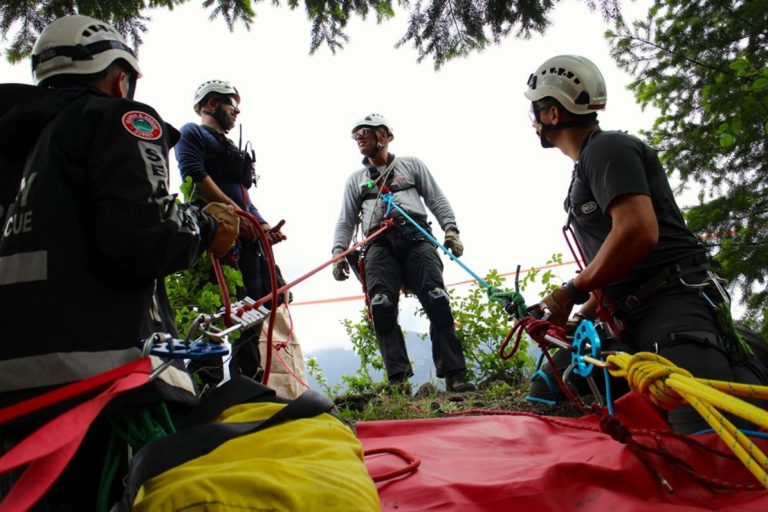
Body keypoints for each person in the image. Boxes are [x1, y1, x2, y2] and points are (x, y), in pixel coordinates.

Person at [0, 14, 239, 508]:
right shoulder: (121, 119)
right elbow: (146, 233)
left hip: (14, 396)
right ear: (118, 77)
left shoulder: (13, 147)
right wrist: (209, 226)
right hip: (106, 383)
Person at [523, 54, 768, 432]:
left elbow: (637, 231)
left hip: (672, 304)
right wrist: (581, 315)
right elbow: (619, 265)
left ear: (553, 114)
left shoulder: (607, 149)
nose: (533, 120)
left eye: (535, 110)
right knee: (547, 389)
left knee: (705, 435)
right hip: (633, 316)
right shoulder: (588, 167)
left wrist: (570, 291)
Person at [331, 113, 476, 394]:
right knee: (381, 304)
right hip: (378, 243)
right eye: (356, 134)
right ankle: (398, 380)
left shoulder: (411, 166)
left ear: (383, 136)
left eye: (365, 132)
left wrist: (451, 230)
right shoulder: (356, 180)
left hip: (416, 235)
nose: (359, 138)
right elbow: (346, 220)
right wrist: (338, 253)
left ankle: (455, 374)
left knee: (436, 297)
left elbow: (436, 198)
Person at [175, 80, 287, 386]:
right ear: (211, 104)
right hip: (213, 236)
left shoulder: (230, 148)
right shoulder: (191, 133)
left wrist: (261, 226)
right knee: (213, 312)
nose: (236, 111)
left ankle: (246, 386)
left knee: (250, 313)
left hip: (246, 243)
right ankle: (204, 386)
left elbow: (244, 197)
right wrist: (239, 217)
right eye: (230, 104)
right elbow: (195, 178)